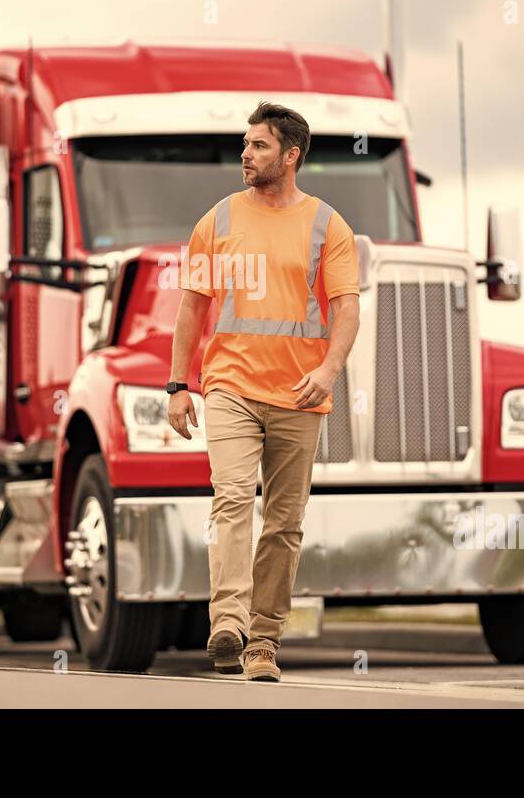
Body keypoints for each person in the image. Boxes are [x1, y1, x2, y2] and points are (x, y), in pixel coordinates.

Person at [167, 100, 359, 681]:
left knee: (283, 522)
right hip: (229, 386)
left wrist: (327, 372)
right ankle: (228, 622)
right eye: (245, 144)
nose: (245, 154)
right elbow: (191, 308)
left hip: (300, 395)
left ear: (291, 155)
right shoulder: (217, 221)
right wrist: (180, 384)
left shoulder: (329, 226)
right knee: (230, 498)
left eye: (258, 146)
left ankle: (264, 642)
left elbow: (348, 310)